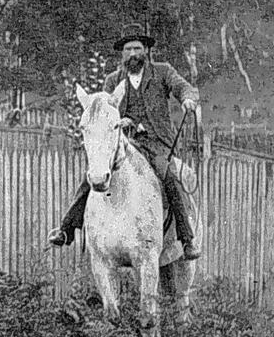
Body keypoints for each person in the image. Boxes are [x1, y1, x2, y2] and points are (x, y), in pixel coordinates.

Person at [48, 29, 202, 260]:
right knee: (91, 177)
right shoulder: (113, 80)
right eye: (128, 49)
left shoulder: (162, 72)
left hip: (157, 144)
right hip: (125, 143)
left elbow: (183, 87)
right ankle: (67, 229)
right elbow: (105, 111)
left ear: (146, 51)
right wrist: (122, 122)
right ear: (122, 54)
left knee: (169, 177)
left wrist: (188, 98)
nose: (133, 54)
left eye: (137, 49)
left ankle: (186, 238)